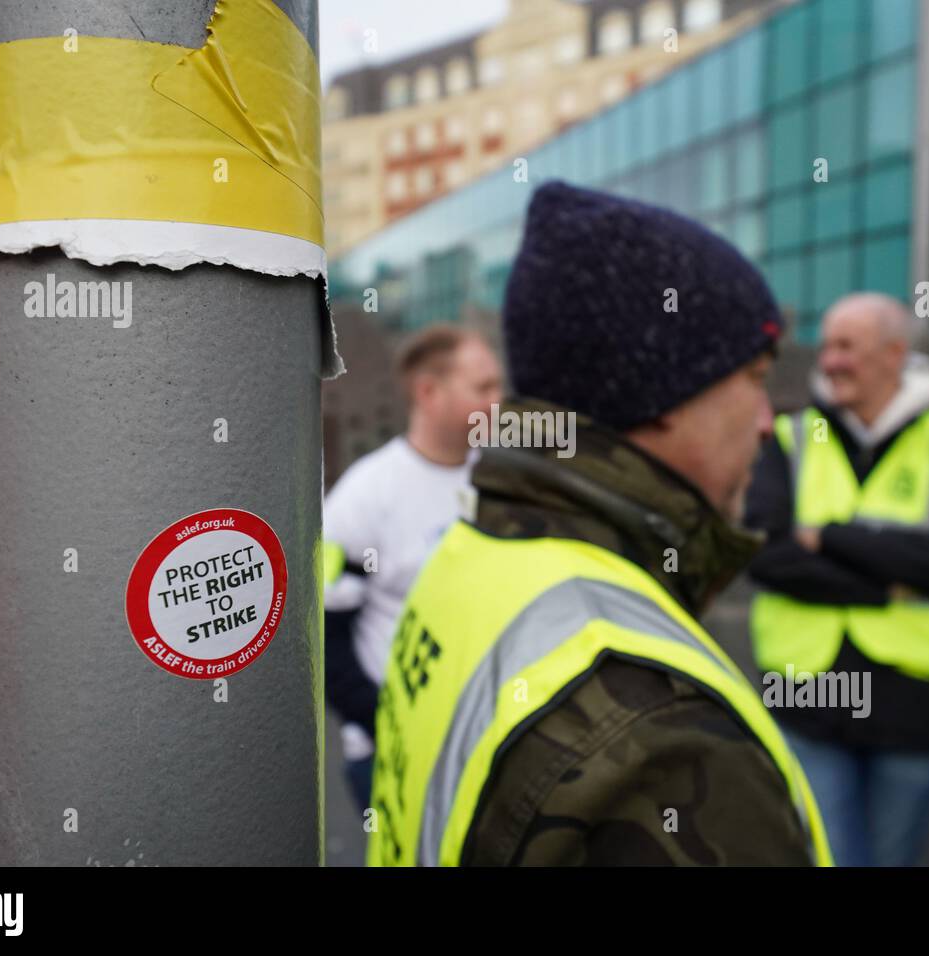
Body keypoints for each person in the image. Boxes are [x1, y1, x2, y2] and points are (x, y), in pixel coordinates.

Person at [366, 181, 832, 867]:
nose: (768, 421)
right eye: (756, 377)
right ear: (667, 389)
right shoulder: (662, 738)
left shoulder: (476, 548)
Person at [745, 293, 929, 867]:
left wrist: (828, 534)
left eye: (845, 346)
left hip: (914, 709)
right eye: (827, 344)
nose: (828, 360)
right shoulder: (791, 438)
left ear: (894, 353)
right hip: (806, 698)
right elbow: (763, 552)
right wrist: (887, 584)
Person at [322, 324, 502, 812]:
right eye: (483, 387)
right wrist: (392, 723)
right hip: (394, 758)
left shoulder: (504, 480)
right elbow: (325, 640)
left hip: (495, 748)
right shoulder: (364, 496)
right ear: (428, 392)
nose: (498, 401)